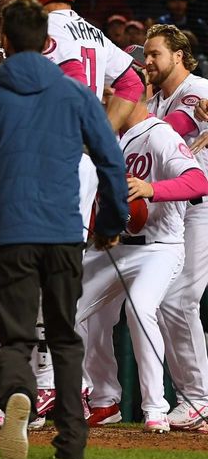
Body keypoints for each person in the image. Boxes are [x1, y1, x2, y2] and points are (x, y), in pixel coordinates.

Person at [0, 0, 128, 459]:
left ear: (4, 40)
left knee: (16, 337)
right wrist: (109, 224)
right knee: (66, 337)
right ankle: (71, 442)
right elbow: (110, 161)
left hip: (9, 233)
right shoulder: (76, 95)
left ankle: (16, 395)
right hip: (65, 231)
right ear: (48, 41)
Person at [77, 90, 208, 433]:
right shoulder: (108, 137)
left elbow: (198, 181)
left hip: (159, 247)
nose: (103, 102)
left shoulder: (159, 133)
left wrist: (152, 190)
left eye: (109, 95)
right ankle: (102, 399)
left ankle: (155, 407)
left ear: (132, 96)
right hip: (113, 246)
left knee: (140, 307)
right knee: (67, 308)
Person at [144, 25, 208, 430]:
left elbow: (178, 128)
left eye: (155, 54)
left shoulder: (198, 88)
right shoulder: (154, 101)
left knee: (179, 299)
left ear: (179, 55)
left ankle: (198, 399)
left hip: (201, 206)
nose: (148, 61)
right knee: (165, 300)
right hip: (173, 210)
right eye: (146, 55)